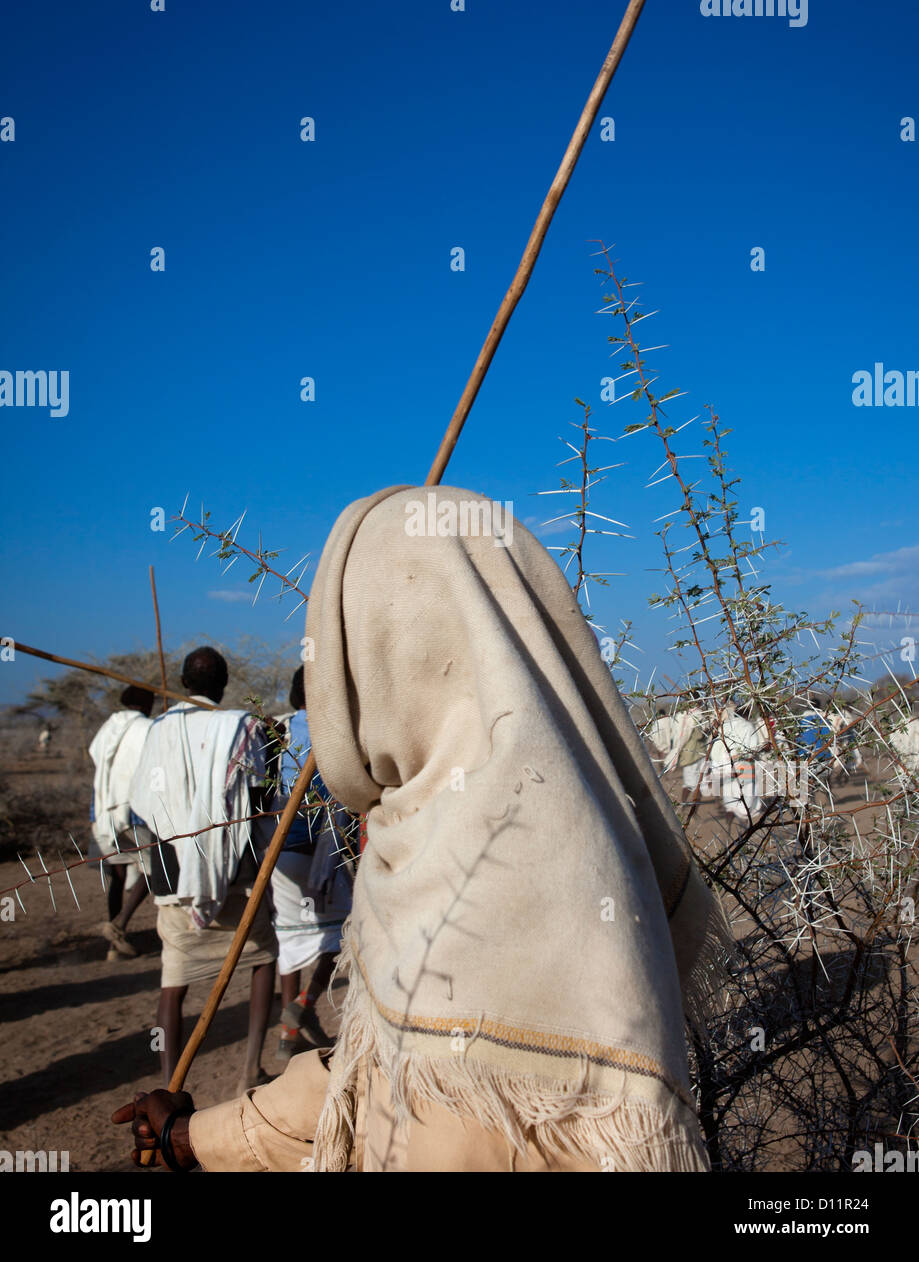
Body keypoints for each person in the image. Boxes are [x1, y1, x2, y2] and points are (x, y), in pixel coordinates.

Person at [115, 487, 728, 1172]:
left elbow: (421, 1120)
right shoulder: (591, 824)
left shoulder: (468, 870)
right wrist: (196, 1139)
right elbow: (381, 1078)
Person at [128, 646, 278, 1092]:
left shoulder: (158, 729)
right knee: (264, 957)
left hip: (172, 873)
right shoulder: (242, 727)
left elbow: (143, 803)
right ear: (225, 682)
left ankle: (169, 1080)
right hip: (235, 870)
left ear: (184, 682)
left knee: (172, 983)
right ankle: (251, 1066)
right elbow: (256, 794)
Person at [269, 666, 356, 1062]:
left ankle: (290, 1032)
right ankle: (304, 1004)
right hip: (320, 851)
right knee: (345, 933)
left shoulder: (280, 731)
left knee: (288, 938)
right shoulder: (337, 732)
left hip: (280, 853)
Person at [87, 685, 156, 959]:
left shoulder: (107, 728)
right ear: (147, 704)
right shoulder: (148, 728)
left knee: (116, 875)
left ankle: (114, 947)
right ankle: (119, 925)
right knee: (156, 868)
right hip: (132, 809)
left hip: (102, 810)